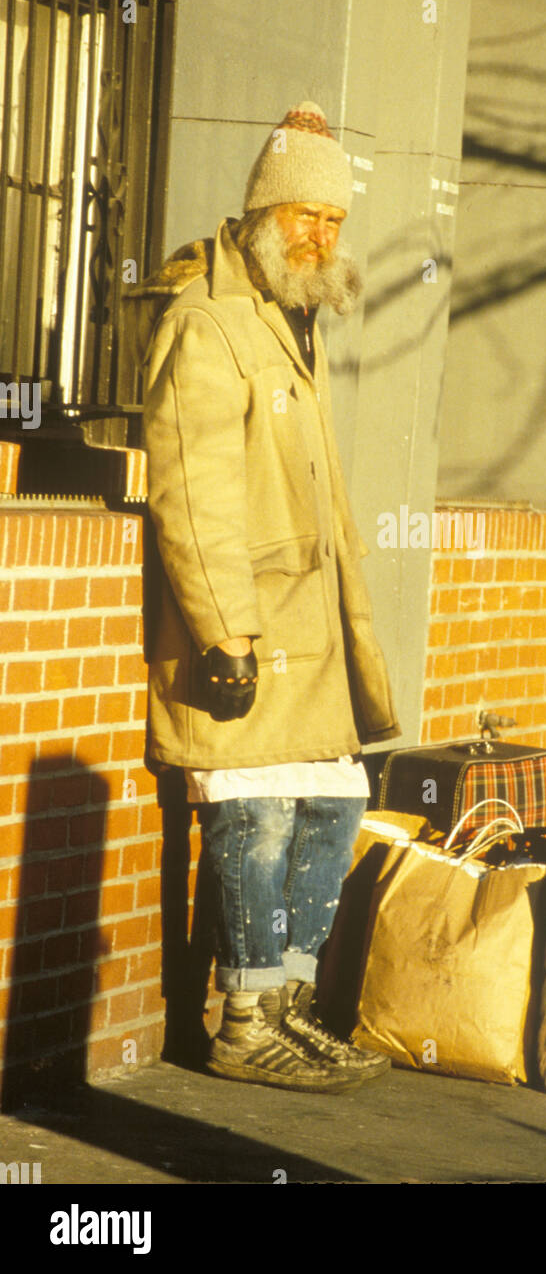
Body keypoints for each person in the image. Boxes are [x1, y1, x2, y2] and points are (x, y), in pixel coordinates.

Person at [130, 101, 400, 1092]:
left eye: (333, 221)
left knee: (333, 801)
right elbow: (192, 487)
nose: (321, 237)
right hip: (247, 628)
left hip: (309, 628)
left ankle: (286, 999)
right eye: (303, 216)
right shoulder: (207, 316)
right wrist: (225, 630)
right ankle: (243, 1019)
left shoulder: (289, 314)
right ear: (261, 212)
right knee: (256, 814)